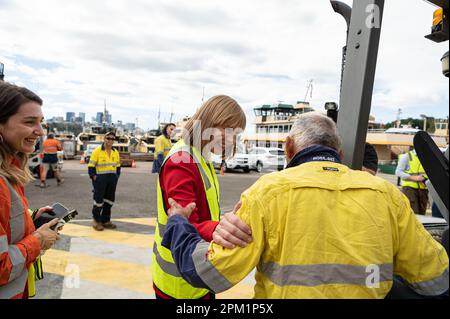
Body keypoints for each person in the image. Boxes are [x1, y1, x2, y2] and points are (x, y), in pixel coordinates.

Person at [161, 112, 449, 299]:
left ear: (289, 148)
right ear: (338, 152)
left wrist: (178, 223)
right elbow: (435, 281)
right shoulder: (388, 195)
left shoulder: (266, 193)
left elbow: (208, 273)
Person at [152, 95, 253, 299]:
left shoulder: (199, 156)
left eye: (237, 134)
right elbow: (182, 225)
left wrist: (223, 221)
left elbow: (200, 213)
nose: (233, 139)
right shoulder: (182, 161)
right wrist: (222, 229)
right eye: (228, 130)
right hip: (180, 284)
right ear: (209, 122)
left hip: (197, 275)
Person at [0, 82, 62, 299]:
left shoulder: (10, 171)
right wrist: (37, 240)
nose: (40, 131)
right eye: (29, 122)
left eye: (41, 122)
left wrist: (30, 218)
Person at [88, 132, 121, 231]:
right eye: (108, 138)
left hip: (112, 179)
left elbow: (118, 167)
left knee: (109, 201)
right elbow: (91, 166)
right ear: (104, 139)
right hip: (100, 180)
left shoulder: (115, 152)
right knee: (98, 201)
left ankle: (105, 221)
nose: (110, 140)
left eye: (112, 139)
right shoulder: (97, 151)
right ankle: (96, 221)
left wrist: (116, 176)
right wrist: (94, 178)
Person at [395, 149, 429, 215]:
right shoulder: (407, 156)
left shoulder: (428, 158)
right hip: (410, 189)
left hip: (423, 190)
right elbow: (398, 172)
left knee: (422, 214)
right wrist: (414, 178)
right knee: (413, 214)